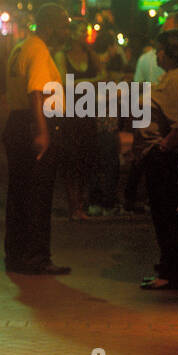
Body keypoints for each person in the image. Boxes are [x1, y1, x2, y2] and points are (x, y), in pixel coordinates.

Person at [3, 3, 72, 276]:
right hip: (36, 123)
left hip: (18, 123)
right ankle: (36, 258)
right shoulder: (39, 50)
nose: (67, 32)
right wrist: (43, 132)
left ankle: (17, 255)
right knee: (38, 196)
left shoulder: (21, 47)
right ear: (52, 25)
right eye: (64, 26)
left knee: (19, 194)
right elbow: (36, 92)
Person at [136, 30, 178, 290]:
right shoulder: (173, 78)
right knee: (164, 214)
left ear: (170, 54)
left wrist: (162, 146)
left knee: (166, 214)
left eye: (160, 50)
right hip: (160, 156)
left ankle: (171, 271)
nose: (156, 54)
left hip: (164, 160)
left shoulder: (174, 80)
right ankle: (169, 267)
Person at [53, 21, 102, 221]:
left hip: (88, 112)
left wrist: (81, 84)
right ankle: (74, 205)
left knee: (87, 158)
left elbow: (105, 75)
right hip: (70, 114)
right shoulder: (61, 55)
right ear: (71, 34)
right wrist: (91, 82)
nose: (85, 34)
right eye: (81, 31)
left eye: (86, 31)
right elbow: (65, 83)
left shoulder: (91, 54)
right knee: (71, 160)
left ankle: (81, 204)